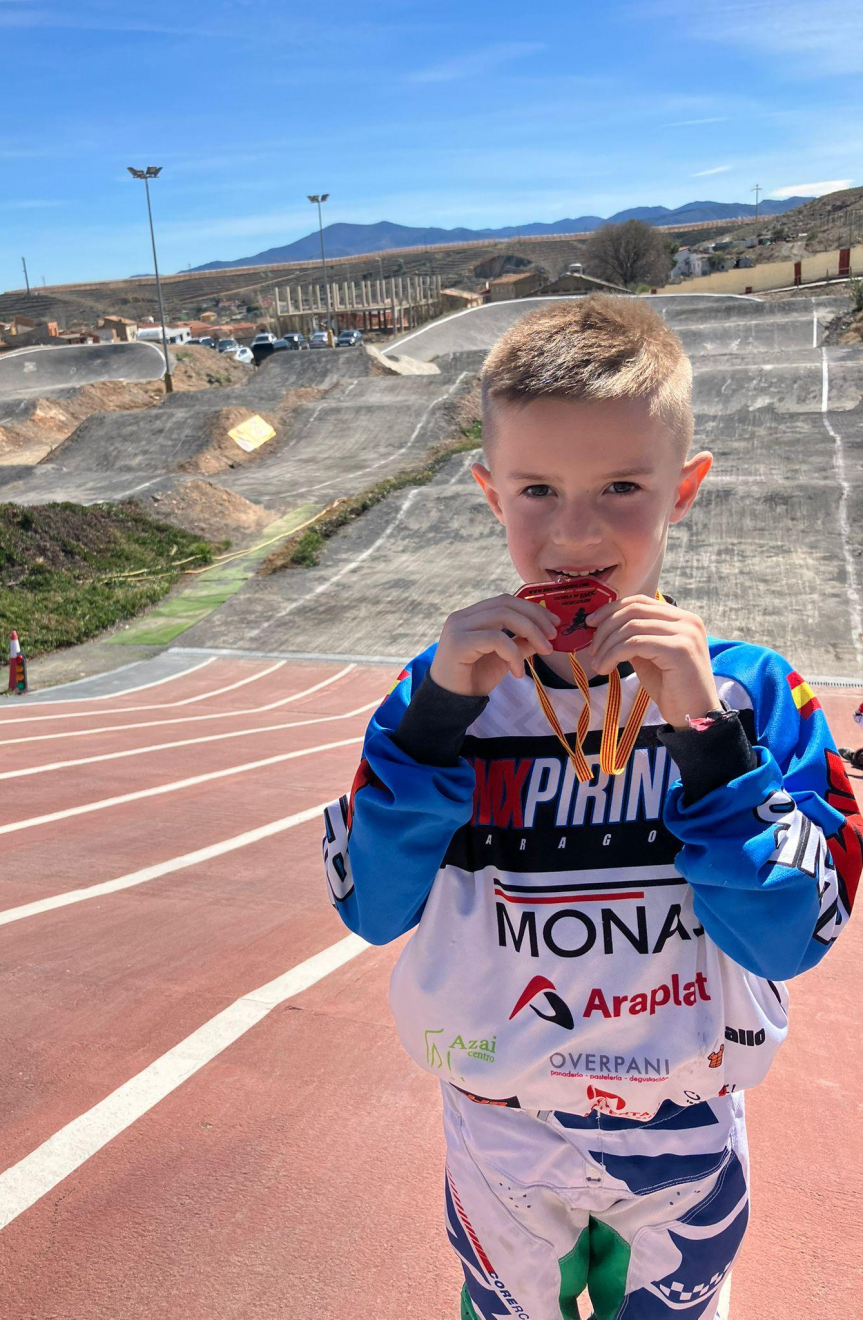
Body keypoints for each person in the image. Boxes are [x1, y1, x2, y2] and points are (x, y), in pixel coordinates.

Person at [321, 295, 860, 1320]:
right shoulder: (435, 697)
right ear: (489, 493)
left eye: (621, 486)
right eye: (537, 488)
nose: (575, 530)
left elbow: (790, 937)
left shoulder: (751, 694)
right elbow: (371, 908)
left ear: (683, 490)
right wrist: (436, 722)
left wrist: (705, 739)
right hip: (501, 1127)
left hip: (685, 1128)